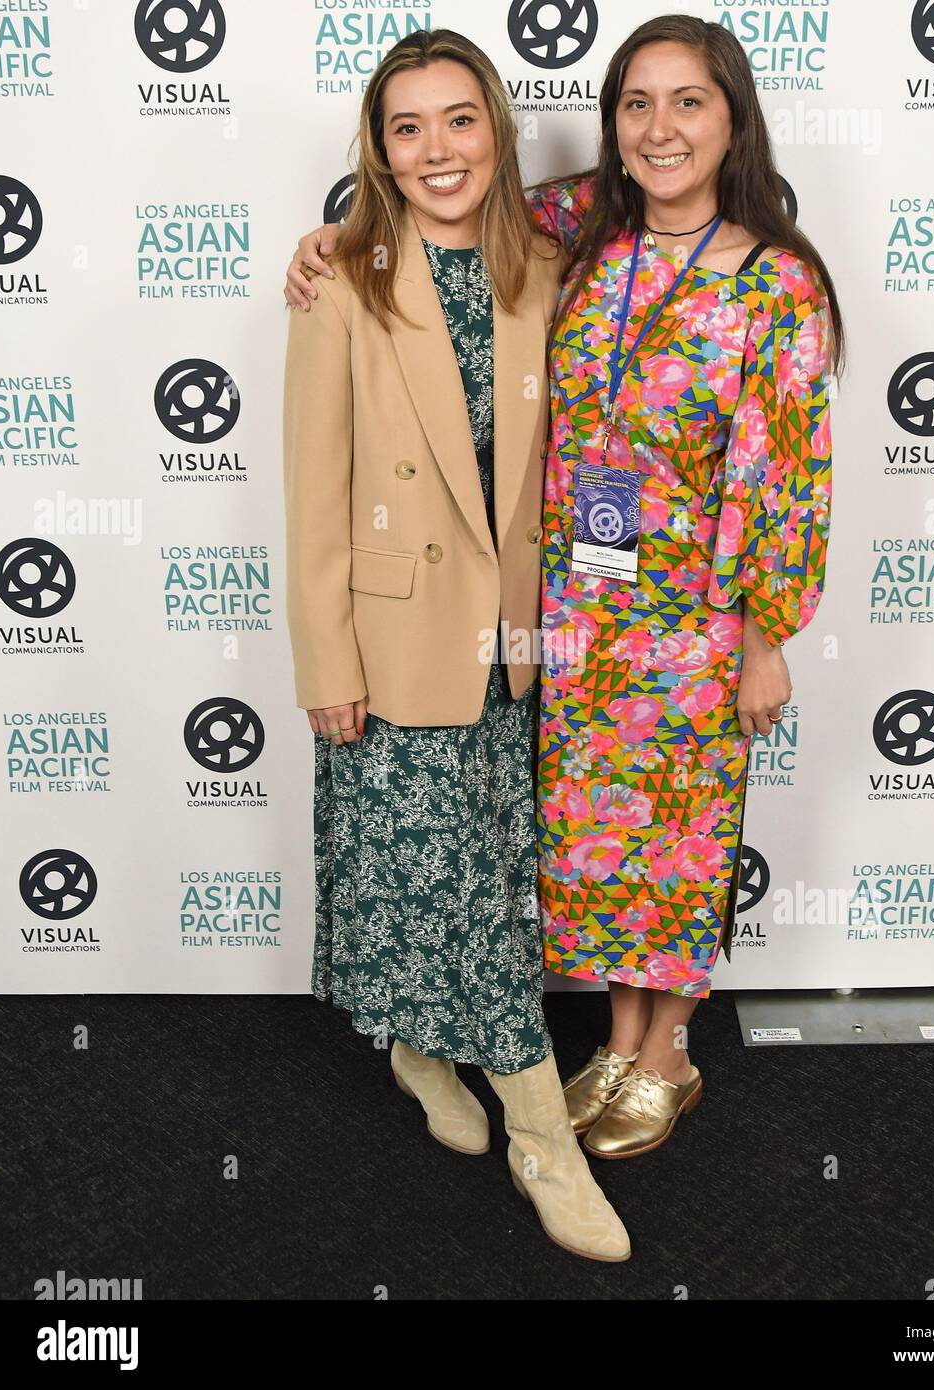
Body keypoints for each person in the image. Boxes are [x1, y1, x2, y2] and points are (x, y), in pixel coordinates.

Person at [284, 15, 840, 1164]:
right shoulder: (579, 229)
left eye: (687, 102)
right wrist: (335, 237)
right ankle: (618, 1043)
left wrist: (764, 636)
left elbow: (783, 475)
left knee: (679, 839)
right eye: (636, 104)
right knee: (604, 844)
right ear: (612, 124)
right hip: (573, 612)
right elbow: (444, 203)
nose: (660, 129)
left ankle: (668, 1054)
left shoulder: (777, 282)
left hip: (692, 617)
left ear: (732, 117)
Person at [282, 28, 629, 1262]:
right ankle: (541, 1134)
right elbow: (313, 492)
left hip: (515, 642)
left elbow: (585, 457)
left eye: (459, 119)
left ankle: (422, 1046)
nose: (437, 149)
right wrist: (325, 662)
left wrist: (598, 615)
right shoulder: (344, 280)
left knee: (479, 877)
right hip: (393, 639)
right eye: (407, 127)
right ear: (378, 152)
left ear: (498, 130)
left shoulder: (547, 265)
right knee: (450, 887)